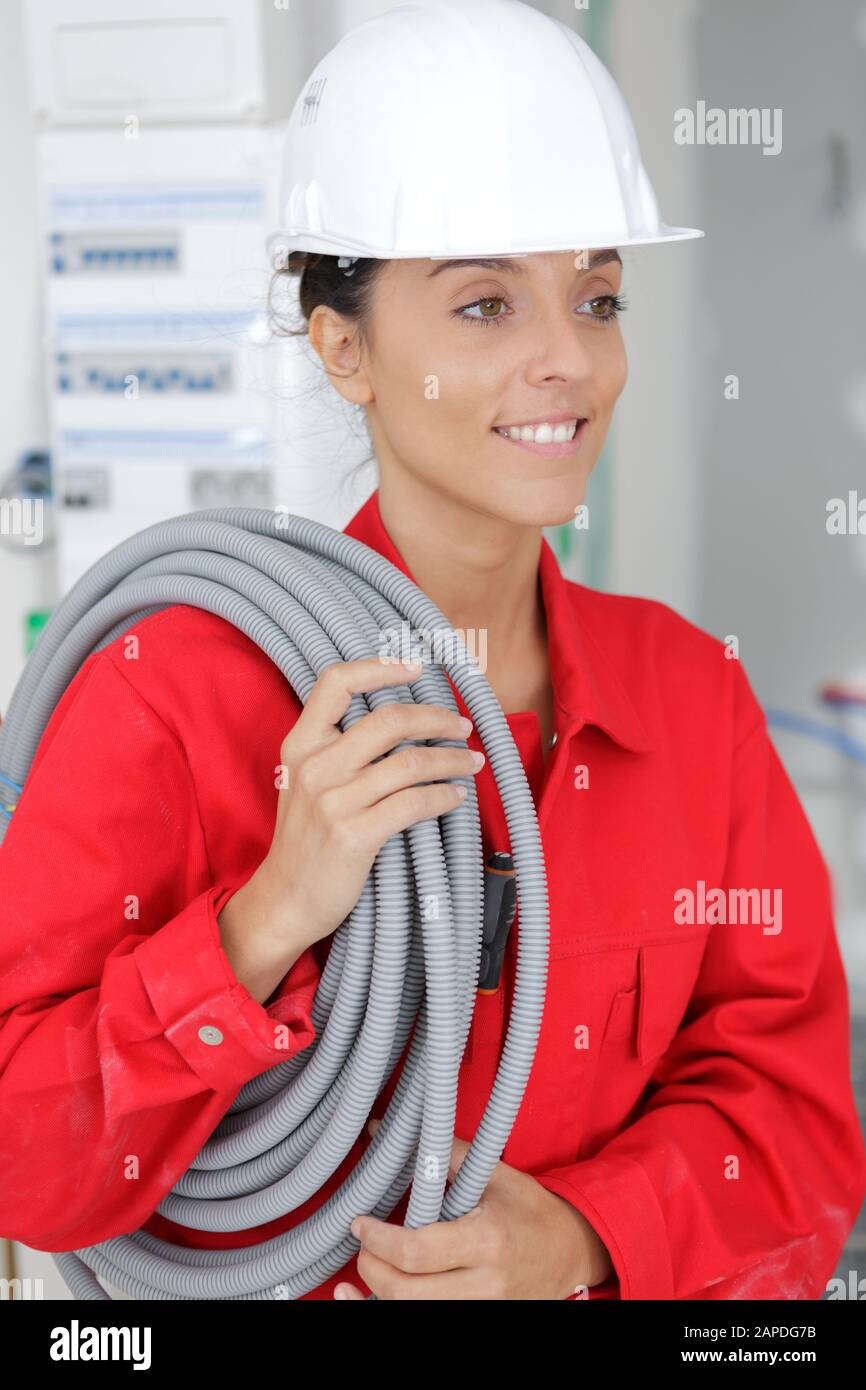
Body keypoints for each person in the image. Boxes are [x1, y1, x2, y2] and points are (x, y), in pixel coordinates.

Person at [1, 0, 864, 1301]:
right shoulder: (174, 693)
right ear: (344, 349)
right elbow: (26, 1162)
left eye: (596, 295)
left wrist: (581, 1237)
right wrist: (265, 917)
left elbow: (797, 1128)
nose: (566, 359)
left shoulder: (687, 696)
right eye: (481, 305)